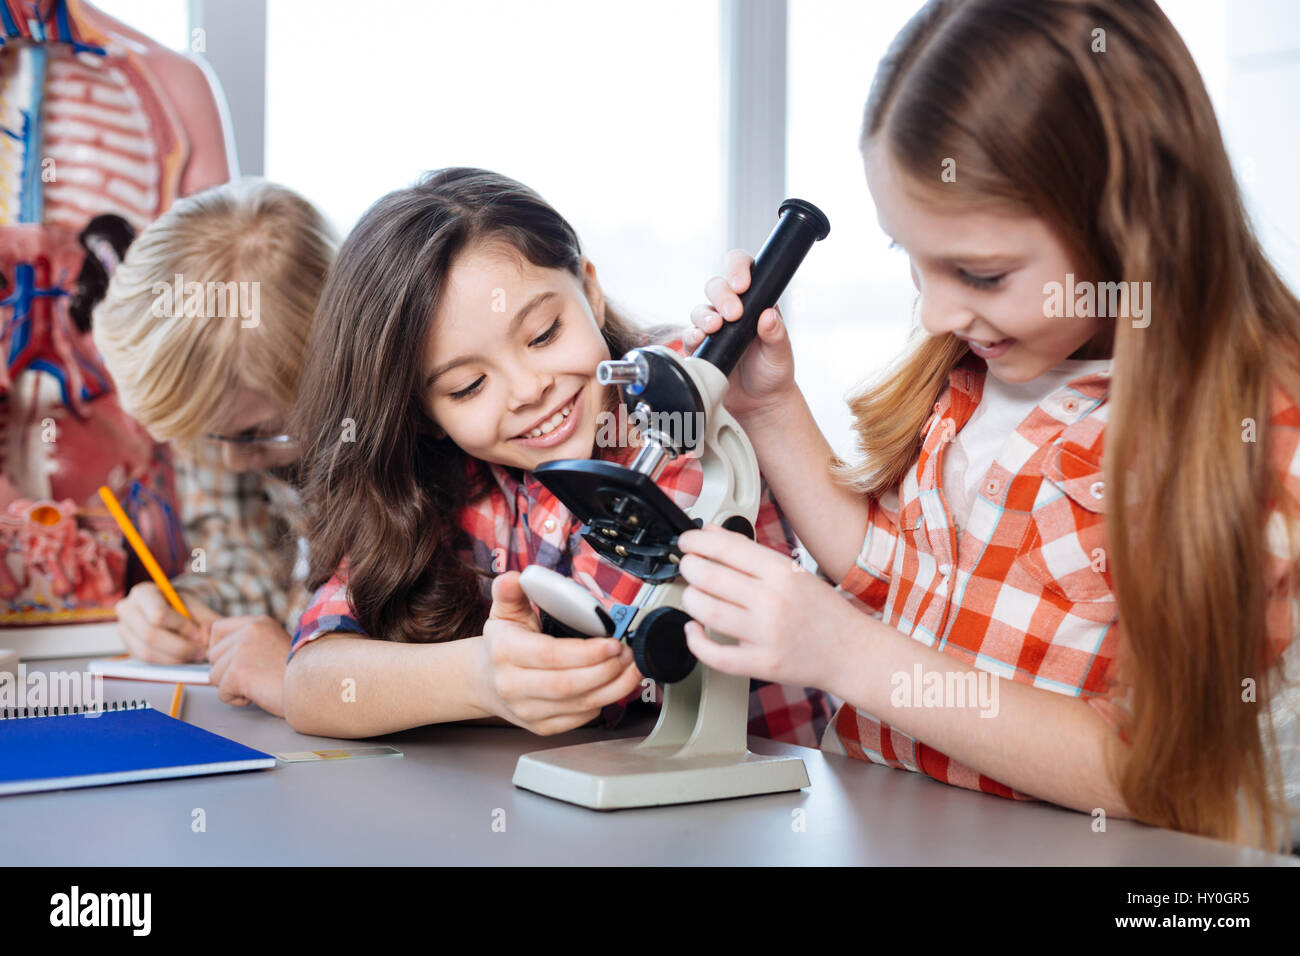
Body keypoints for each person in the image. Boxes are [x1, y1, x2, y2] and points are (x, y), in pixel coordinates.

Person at [678, 0, 1300, 851]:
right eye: (911, 259)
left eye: (979, 271)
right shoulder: (982, 367)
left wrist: (849, 657)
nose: (935, 310)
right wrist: (770, 406)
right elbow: (893, 576)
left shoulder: (1250, 432)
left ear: (1129, 221)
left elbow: (1157, 771)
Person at [283, 167, 833, 745]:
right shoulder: (436, 480)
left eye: (544, 333)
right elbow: (314, 680)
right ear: (422, 414)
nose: (527, 389)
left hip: (769, 784)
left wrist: (443, 683)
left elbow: (595, 671)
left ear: (589, 291)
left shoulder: (682, 405)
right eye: (468, 385)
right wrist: (478, 677)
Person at [92, 178, 336, 717]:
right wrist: (192, 610)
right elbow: (241, 561)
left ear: (333, 375)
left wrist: (307, 676)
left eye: (256, 435)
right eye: (206, 436)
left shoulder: (396, 447)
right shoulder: (220, 407)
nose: (230, 461)